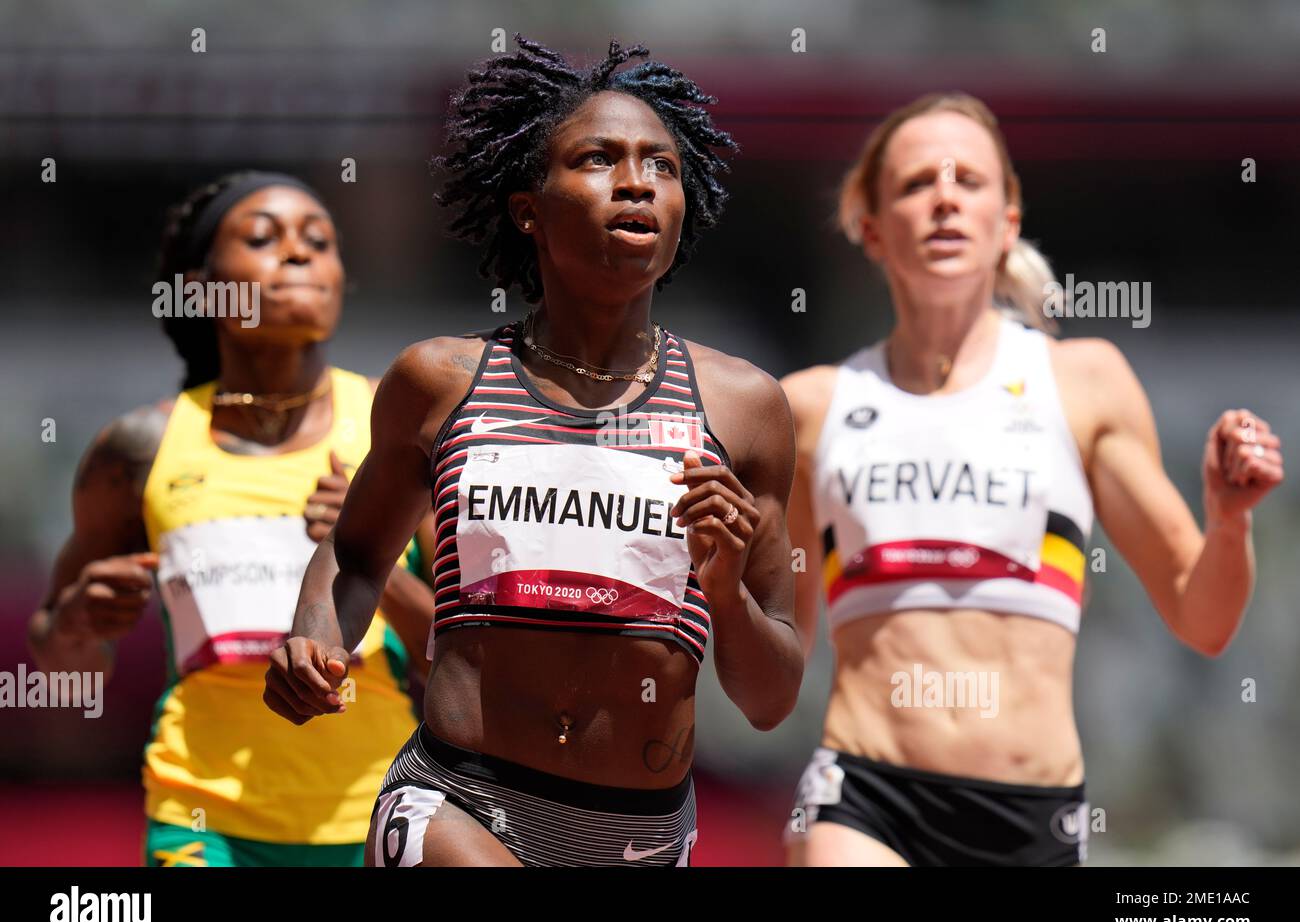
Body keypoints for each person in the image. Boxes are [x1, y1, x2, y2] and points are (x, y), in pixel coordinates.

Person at [262, 36, 803, 867]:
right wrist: (314, 640)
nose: (636, 183)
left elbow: (771, 700)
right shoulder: (438, 381)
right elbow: (356, 551)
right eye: (598, 159)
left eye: (660, 166)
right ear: (529, 208)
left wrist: (727, 594)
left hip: (644, 836)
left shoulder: (747, 407)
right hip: (459, 796)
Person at [780, 92, 1285, 866]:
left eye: (969, 182)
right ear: (872, 228)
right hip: (865, 795)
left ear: (1008, 220)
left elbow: (1203, 618)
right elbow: (771, 664)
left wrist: (1228, 522)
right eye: (917, 183)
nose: (945, 198)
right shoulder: (812, 407)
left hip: (1032, 816)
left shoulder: (1083, 384)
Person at [27, 171, 435, 867]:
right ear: (201, 286)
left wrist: (367, 556)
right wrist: (75, 622)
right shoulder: (140, 449)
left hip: (376, 819)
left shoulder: (396, 433)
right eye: (262, 238)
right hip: (200, 821)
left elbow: (466, 658)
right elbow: (58, 653)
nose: (300, 254)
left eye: (320, 241)